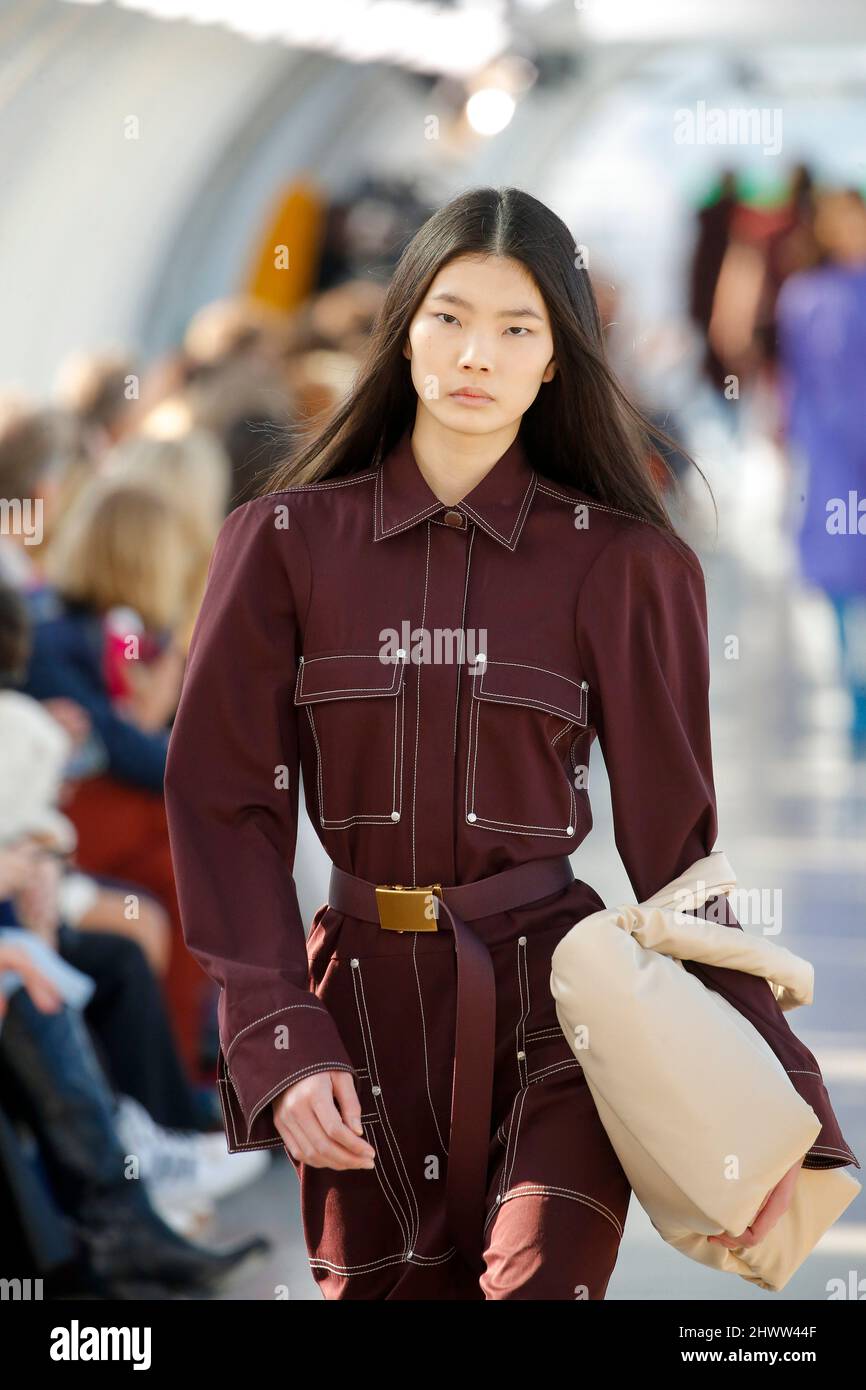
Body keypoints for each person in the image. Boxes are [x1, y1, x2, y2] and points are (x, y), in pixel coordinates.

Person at [163, 186, 859, 1302]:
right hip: (355, 1023)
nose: (474, 352)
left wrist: (783, 1098)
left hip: (561, 1013)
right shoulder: (281, 543)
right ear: (401, 333)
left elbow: (678, 852)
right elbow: (222, 803)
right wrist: (278, 1035)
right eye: (447, 316)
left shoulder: (625, 564)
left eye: (516, 327)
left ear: (555, 362)